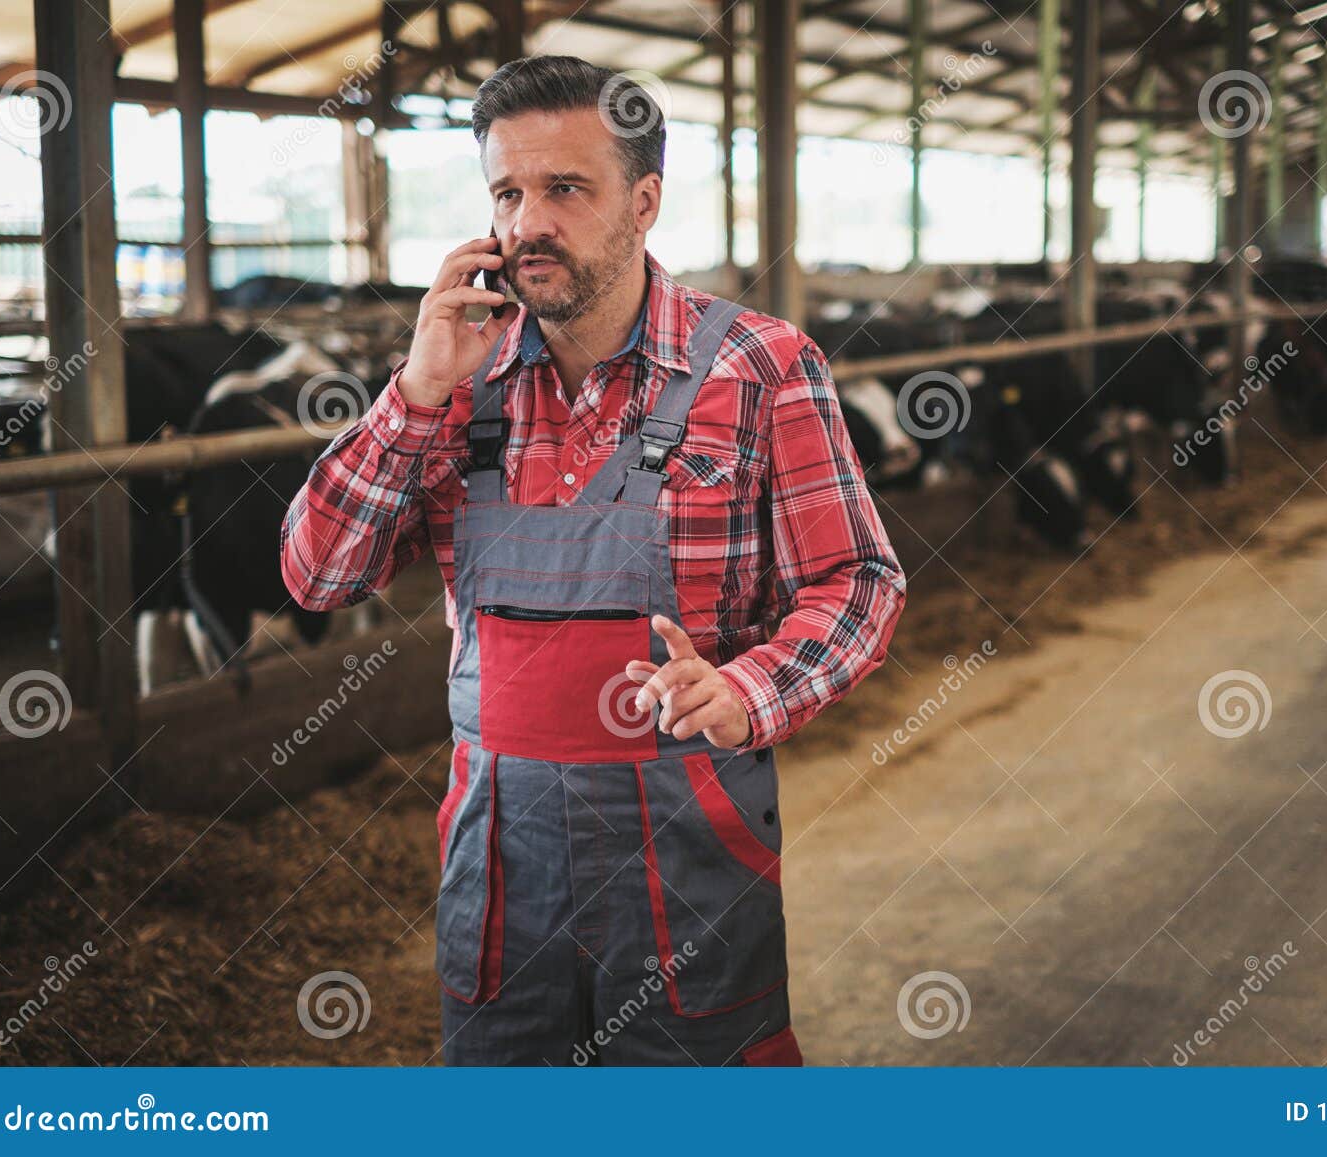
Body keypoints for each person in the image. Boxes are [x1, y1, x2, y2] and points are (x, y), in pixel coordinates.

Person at [281, 54, 906, 1066]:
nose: (530, 221)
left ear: (643, 200)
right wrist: (419, 390)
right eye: (508, 192)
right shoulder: (457, 382)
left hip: (687, 849)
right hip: (498, 861)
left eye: (565, 188)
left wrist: (753, 687)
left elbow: (860, 581)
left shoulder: (760, 366)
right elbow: (318, 576)